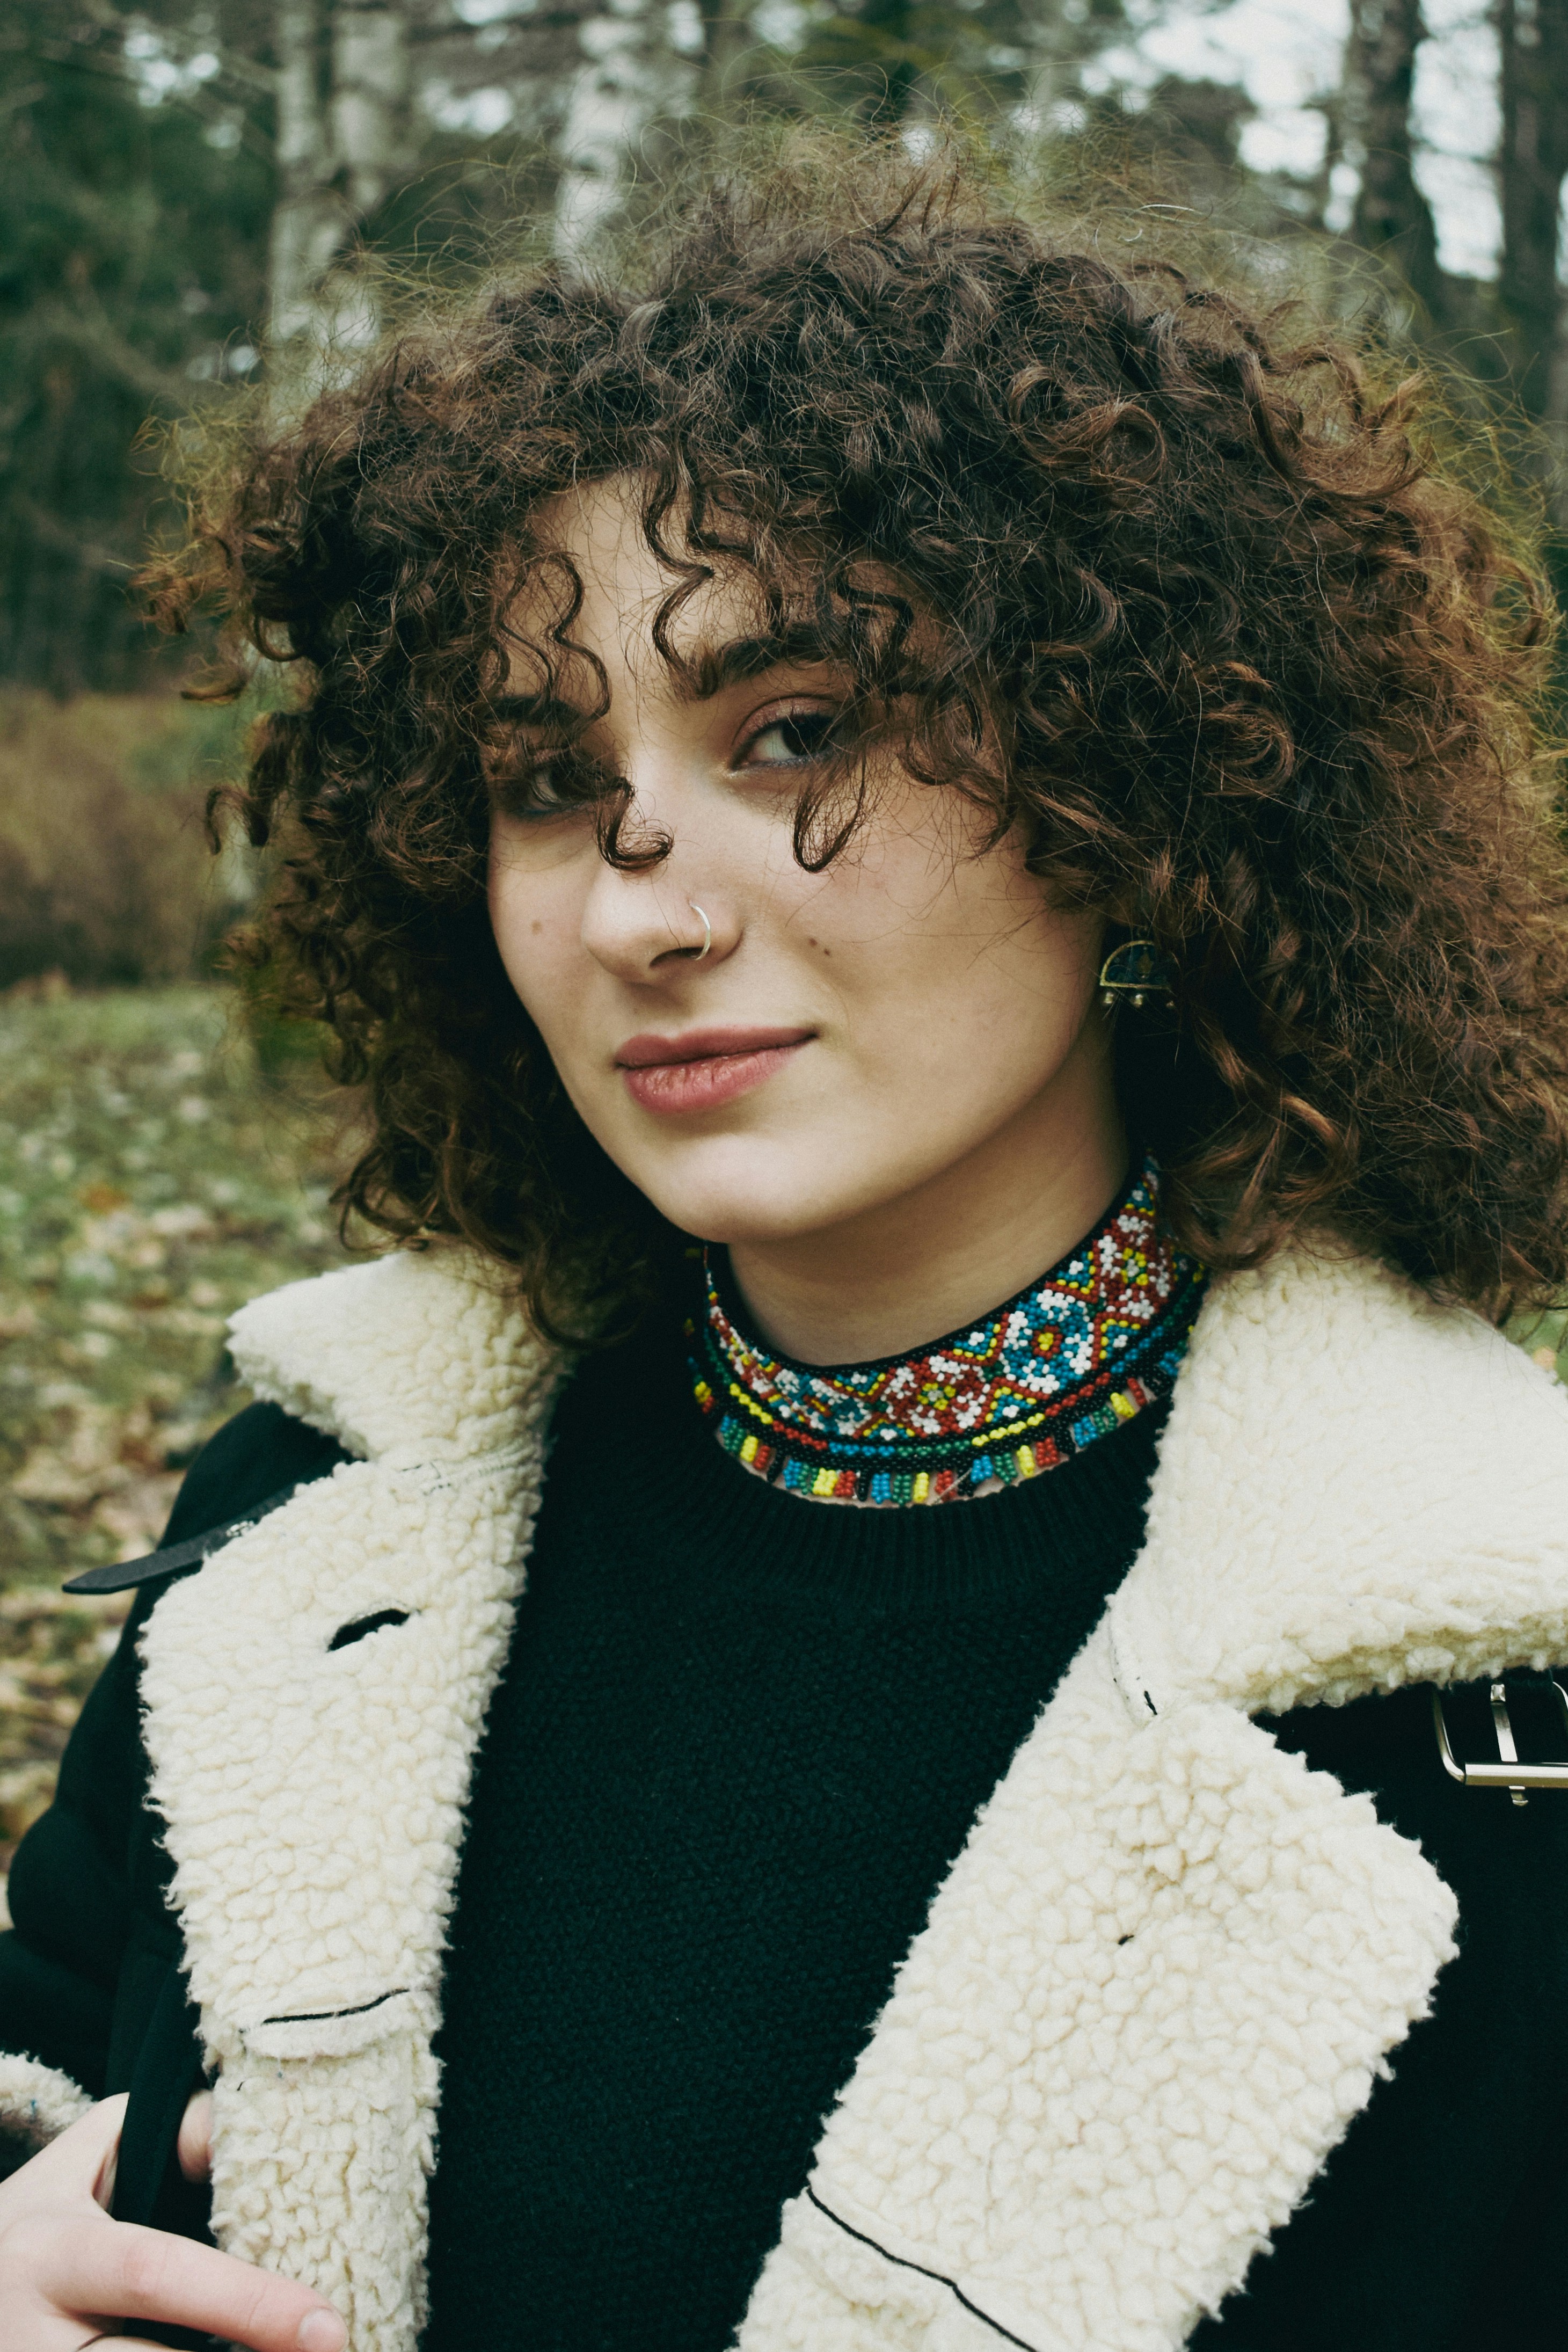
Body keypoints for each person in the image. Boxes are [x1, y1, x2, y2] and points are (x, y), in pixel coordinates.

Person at [3, 142, 1568, 2352]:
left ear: (1130, 793)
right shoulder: (314, 1518)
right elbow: (45, 2060)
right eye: (550, 777)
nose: (645, 902)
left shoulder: (1488, 1687)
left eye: (799, 730)